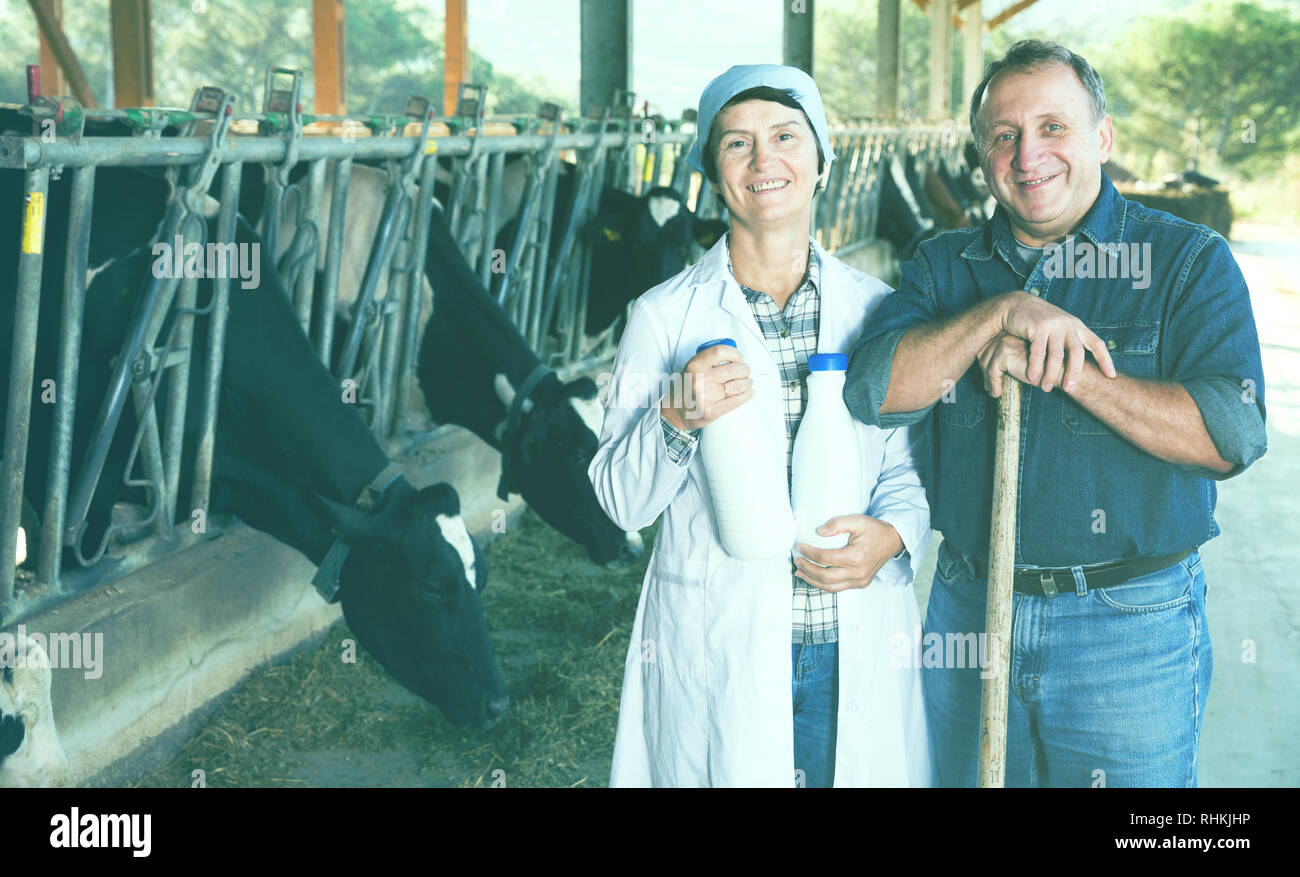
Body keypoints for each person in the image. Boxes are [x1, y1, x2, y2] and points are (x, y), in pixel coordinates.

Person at [844, 40, 1267, 787]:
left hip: (1127, 625)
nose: (1027, 153)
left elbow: (1232, 435)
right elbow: (873, 389)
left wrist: (1072, 370)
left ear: (1103, 138)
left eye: (1053, 127)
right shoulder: (946, 266)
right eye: (1003, 135)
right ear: (982, 157)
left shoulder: (1185, 261)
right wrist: (999, 313)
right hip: (972, 610)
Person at [588, 64, 932, 788]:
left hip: (847, 638)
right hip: (724, 646)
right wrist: (674, 417)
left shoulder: (878, 308)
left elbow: (907, 467)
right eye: (736, 144)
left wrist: (895, 534)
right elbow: (620, 500)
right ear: (714, 175)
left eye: (784, 136)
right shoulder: (663, 315)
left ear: (822, 161)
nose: (763, 160)